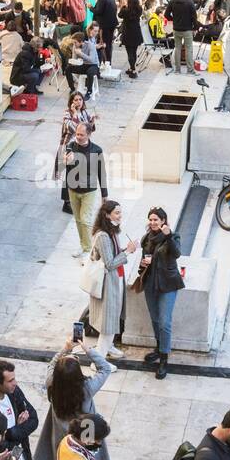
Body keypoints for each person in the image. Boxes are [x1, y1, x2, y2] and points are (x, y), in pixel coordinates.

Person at [34, 335, 115, 460]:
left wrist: (64, 349)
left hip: (62, 441)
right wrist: (87, 349)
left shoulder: (53, 386)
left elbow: (51, 367)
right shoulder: (86, 389)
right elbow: (105, 367)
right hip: (86, 436)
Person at [137, 206, 184, 379]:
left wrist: (169, 235)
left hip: (168, 284)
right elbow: (144, 260)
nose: (153, 222)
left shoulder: (173, 236)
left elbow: (177, 253)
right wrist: (142, 266)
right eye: (150, 219)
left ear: (163, 221)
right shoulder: (146, 238)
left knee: (164, 322)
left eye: (156, 219)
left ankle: (164, 358)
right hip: (150, 283)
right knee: (155, 319)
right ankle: (158, 347)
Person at [87, 199, 135, 359]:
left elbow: (112, 254)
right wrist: (127, 252)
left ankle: (110, 346)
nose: (120, 215)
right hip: (109, 283)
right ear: (107, 215)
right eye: (117, 212)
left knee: (112, 316)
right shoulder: (103, 235)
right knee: (109, 321)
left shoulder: (111, 231)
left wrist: (124, 250)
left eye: (120, 212)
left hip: (116, 280)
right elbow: (109, 263)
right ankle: (99, 361)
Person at [65, 122, 109, 258]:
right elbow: (66, 166)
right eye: (77, 134)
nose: (78, 137)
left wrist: (104, 194)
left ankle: (89, 249)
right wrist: (67, 162)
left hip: (89, 190)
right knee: (78, 220)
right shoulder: (71, 146)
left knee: (85, 219)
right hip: (73, 189)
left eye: (81, 135)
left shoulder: (96, 150)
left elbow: (102, 172)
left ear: (89, 134)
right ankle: (84, 246)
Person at [164, 0, 198, 73]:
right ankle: (190, 70)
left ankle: (177, 70)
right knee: (189, 49)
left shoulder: (172, 1)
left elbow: (166, 15)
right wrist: (195, 27)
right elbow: (194, 17)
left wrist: (174, 19)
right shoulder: (190, 2)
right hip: (187, 29)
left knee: (177, 48)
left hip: (176, 28)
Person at [119, 0, 145, 78]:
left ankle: (133, 69)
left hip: (128, 32)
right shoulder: (139, 8)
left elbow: (119, 15)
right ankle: (131, 68)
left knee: (129, 52)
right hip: (136, 32)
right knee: (133, 51)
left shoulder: (126, 10)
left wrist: (122, 7)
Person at [94, 0, 118, 69]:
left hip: (105, 24)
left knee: (103, 44)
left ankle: (106, 63)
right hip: (112, 23)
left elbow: (98, 11)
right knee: (109, 44)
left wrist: (91, 8)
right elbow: (115, 8)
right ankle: (108, 63)